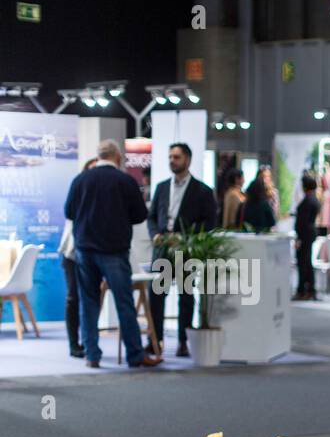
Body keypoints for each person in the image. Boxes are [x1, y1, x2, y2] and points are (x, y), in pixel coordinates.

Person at [63, 139, 158, 369]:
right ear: (117, 157)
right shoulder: (125, 181)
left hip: (85, 250)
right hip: (114, 250)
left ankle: (92, 355)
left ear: (98, 157)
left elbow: (69, 211)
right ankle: (134, 355)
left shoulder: (80, 180)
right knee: (124, 303)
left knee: (89, 303)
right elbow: (139, 215)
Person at [147, 142, 218, 357]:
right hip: (162, 249)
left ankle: (183, 341)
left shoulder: (202, 191)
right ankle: (154, 340)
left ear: (187, 160)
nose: (172, 161)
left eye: (176, 157)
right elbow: (151, 217)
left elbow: (210, 222)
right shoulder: (160, 187)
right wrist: (155, 234)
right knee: (156, 295)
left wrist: (186, 237)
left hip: (186, 249)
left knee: (186, 296)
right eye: (170, 157)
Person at [58, 159, 97, 358]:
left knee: (90, 299)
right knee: (73, 297)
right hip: (72, 253)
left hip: (93, 253)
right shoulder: (79, 192)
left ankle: (87, 342)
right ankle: (74, 344)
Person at [293, 174, 321, 300]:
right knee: (306, 262)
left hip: (305, 235)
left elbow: (303, 221)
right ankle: (309, 289)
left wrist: (299, 238)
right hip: (308, 234)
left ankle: (304, 290)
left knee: (303, 263)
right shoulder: (313, 199)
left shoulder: (309, 200)